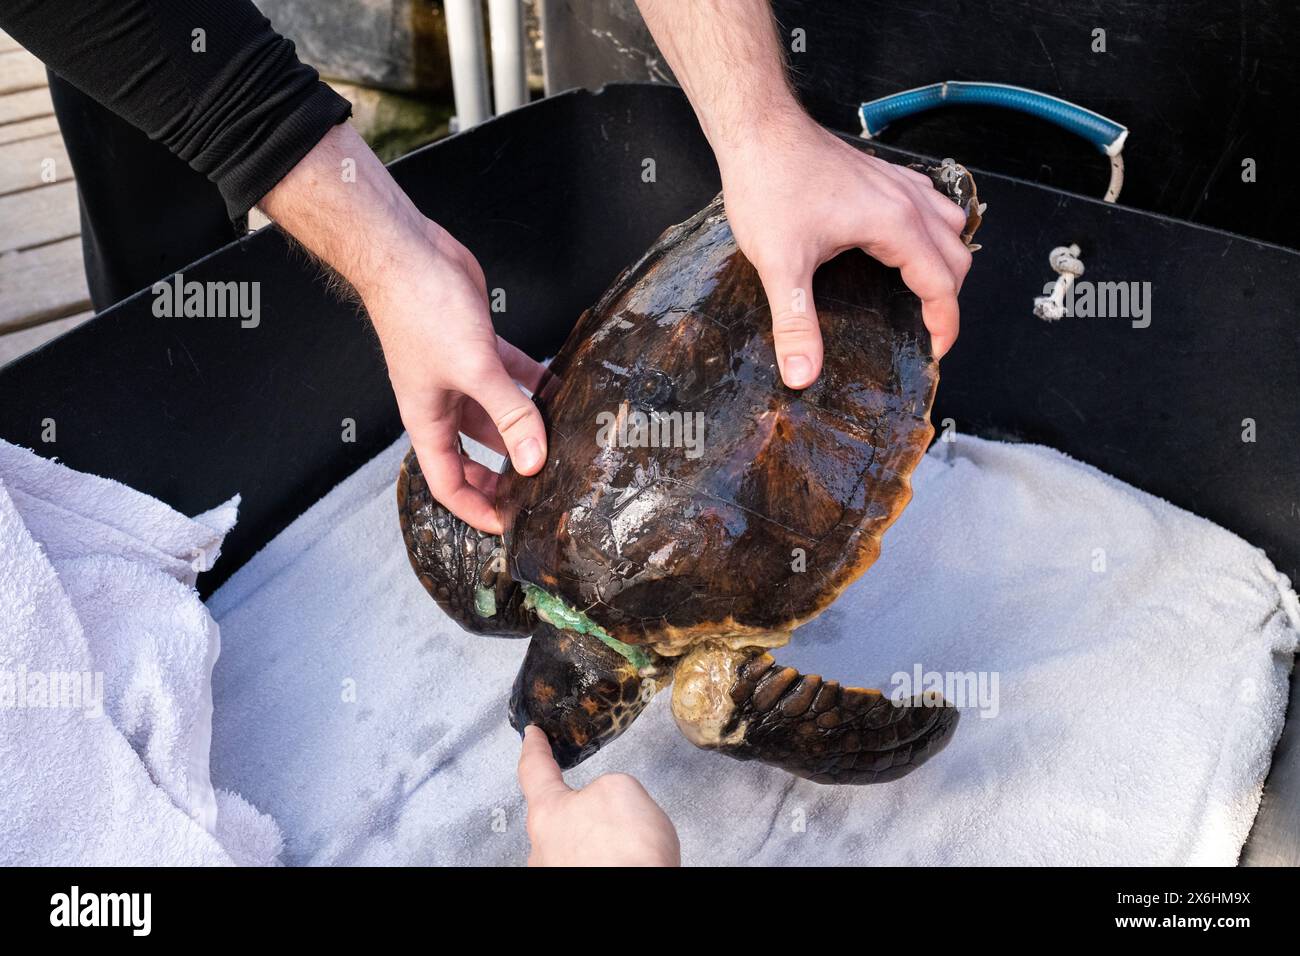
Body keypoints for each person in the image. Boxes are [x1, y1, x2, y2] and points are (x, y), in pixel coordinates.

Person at [2, 0, 970, 866]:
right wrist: (387, 262)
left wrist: (759, 127)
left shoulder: (700, 678)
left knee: (716, 704)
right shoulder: (516, 554)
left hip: (756, 303)